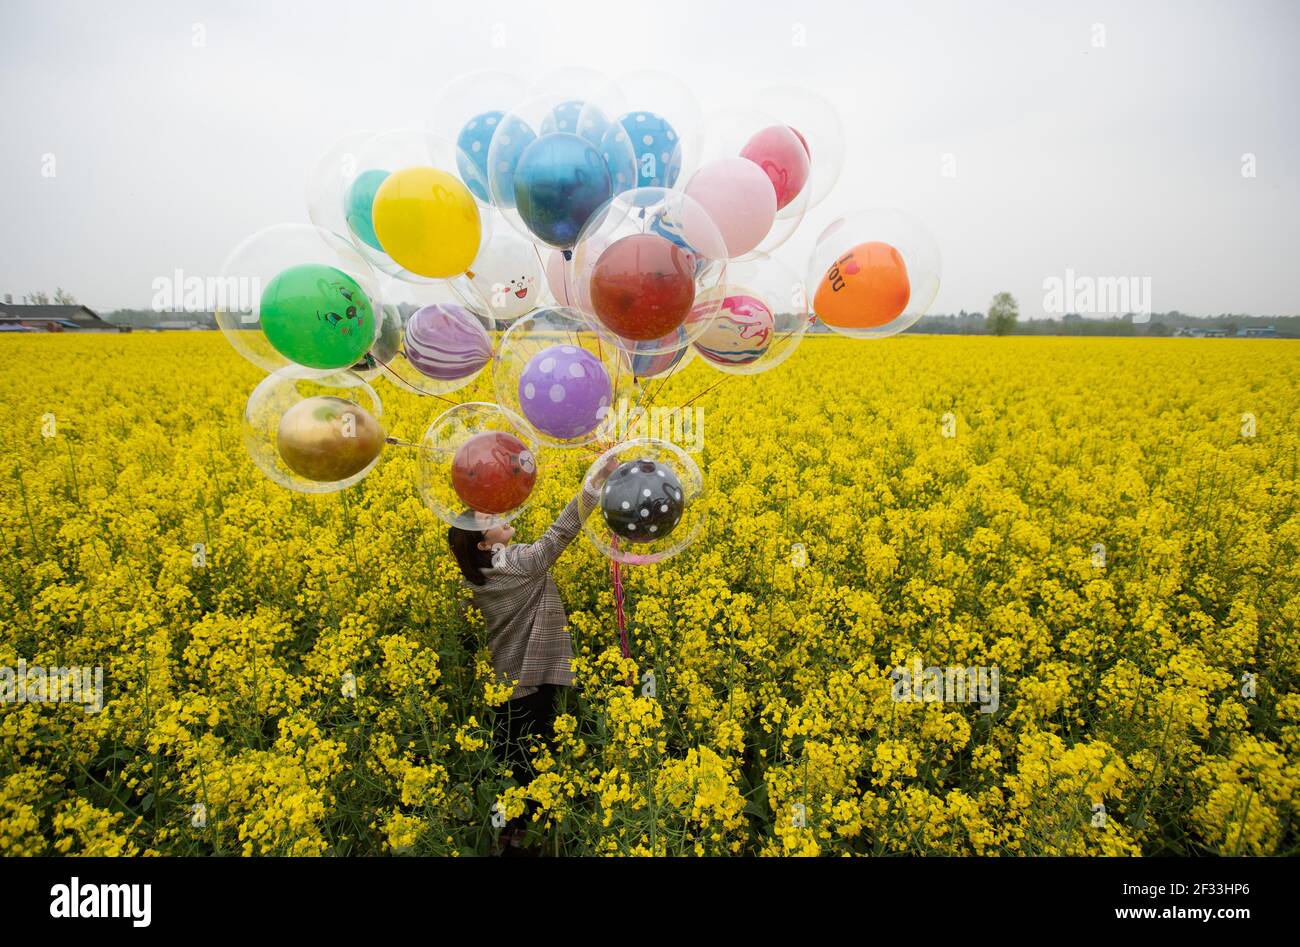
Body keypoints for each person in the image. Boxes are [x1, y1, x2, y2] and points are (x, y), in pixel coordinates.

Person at [446, 455, 617, 854]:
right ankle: (520, 839)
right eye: (484, 517)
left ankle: (502, 832)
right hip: (529, 681)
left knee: (511, 759)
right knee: (530, 763)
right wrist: (595, 482)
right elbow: (560, 534)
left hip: (505, 685)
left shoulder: (479, 575)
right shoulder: (518, 564)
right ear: (485, 543)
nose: (494, 510)